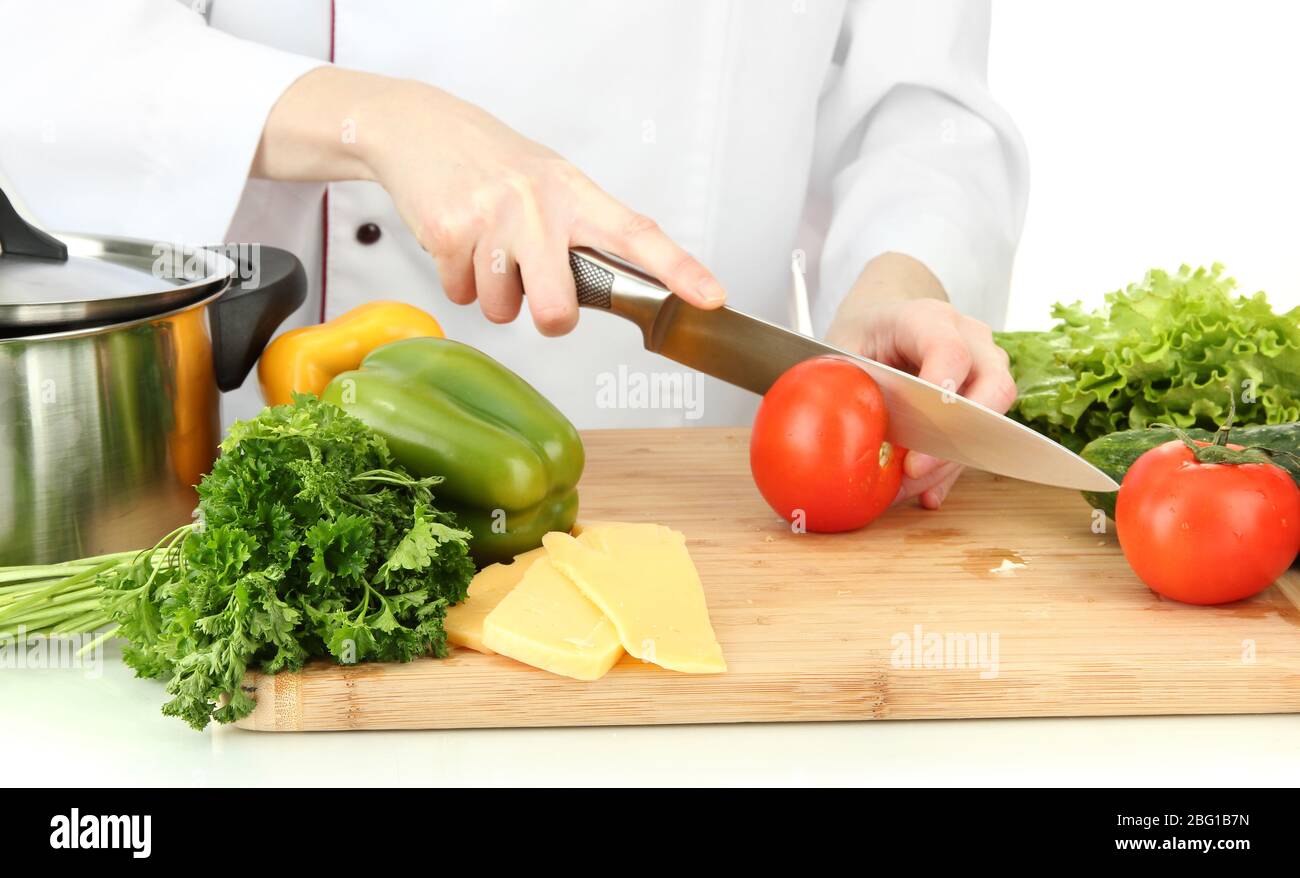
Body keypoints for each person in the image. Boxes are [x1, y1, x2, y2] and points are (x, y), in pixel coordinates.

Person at [0, 0, 1027, 509]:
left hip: (708, 500)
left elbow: (918, 104)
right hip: (237, 471)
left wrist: (902, 275)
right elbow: (47, 45)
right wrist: (379, 118)